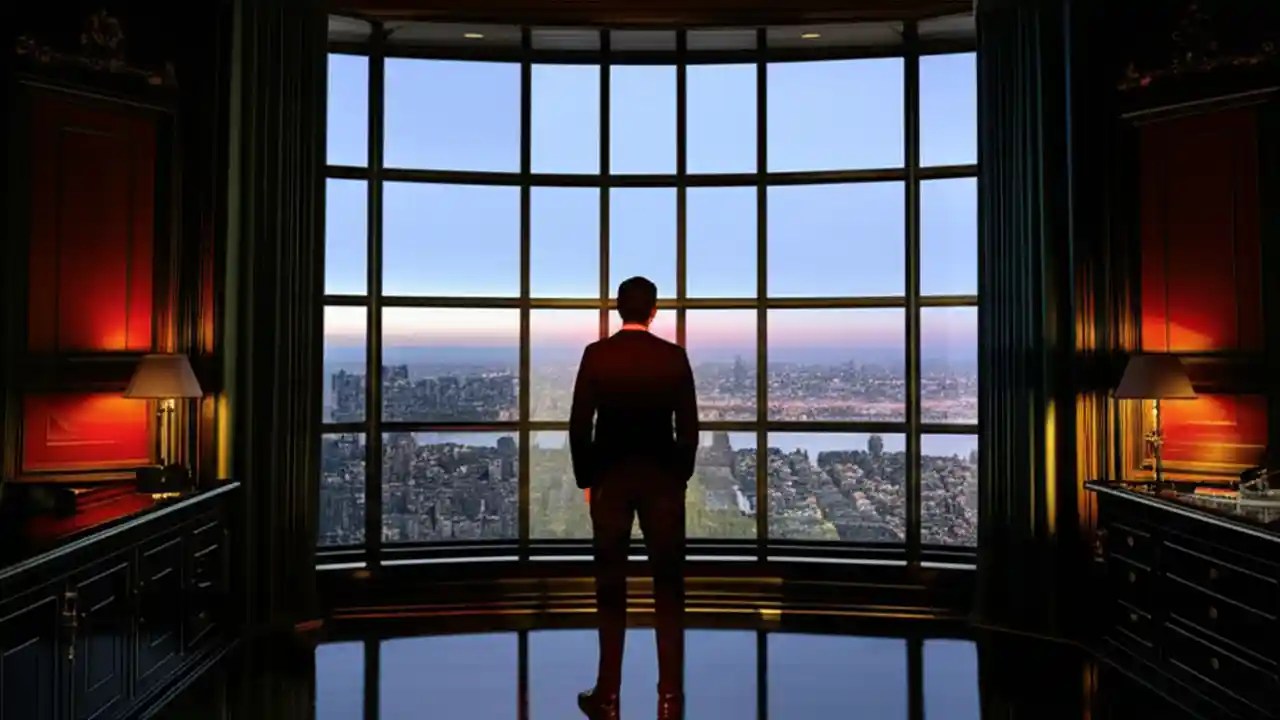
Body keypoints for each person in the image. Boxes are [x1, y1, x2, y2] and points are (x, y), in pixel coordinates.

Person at [570, 276, 698, 720]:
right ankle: (670, 697)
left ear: (617, 308)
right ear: (654, 310)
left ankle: (607, 694)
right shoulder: (673, 358)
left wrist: (589, 479)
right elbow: (689, 429)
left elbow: (579, 425)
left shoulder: (597, 355)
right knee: (669, 587)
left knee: (610, 587)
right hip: (663, 486)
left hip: (610, 484)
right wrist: (678, 478)